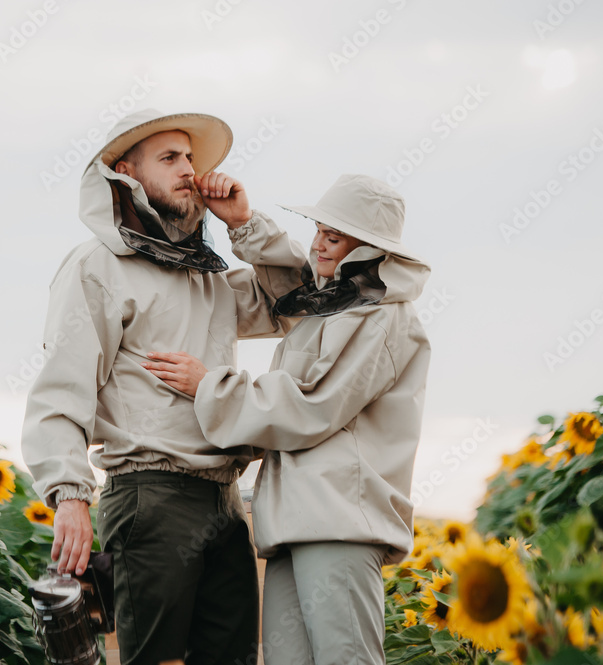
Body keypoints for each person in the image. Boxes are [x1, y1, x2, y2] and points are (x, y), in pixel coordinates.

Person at [21, 109, 306, 665]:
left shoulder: (207, 274)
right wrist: (69, 495)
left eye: (190, 158)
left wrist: (244, 222)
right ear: (127, 172)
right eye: (169, 158)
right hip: (150, 494)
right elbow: (62, 389)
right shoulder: (96, 267)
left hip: (225, 499)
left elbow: (294, 300)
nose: (189, 170)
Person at [144, 174, 432, 665]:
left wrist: (210, 384)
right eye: (319, 229)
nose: (319, 243)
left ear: (368, 250)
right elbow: (294, 290)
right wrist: (242, 223)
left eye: (333, 237)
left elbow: (313, 405)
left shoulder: (385, 318)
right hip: (295, 523)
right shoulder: (342, 304)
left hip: (339, 522)